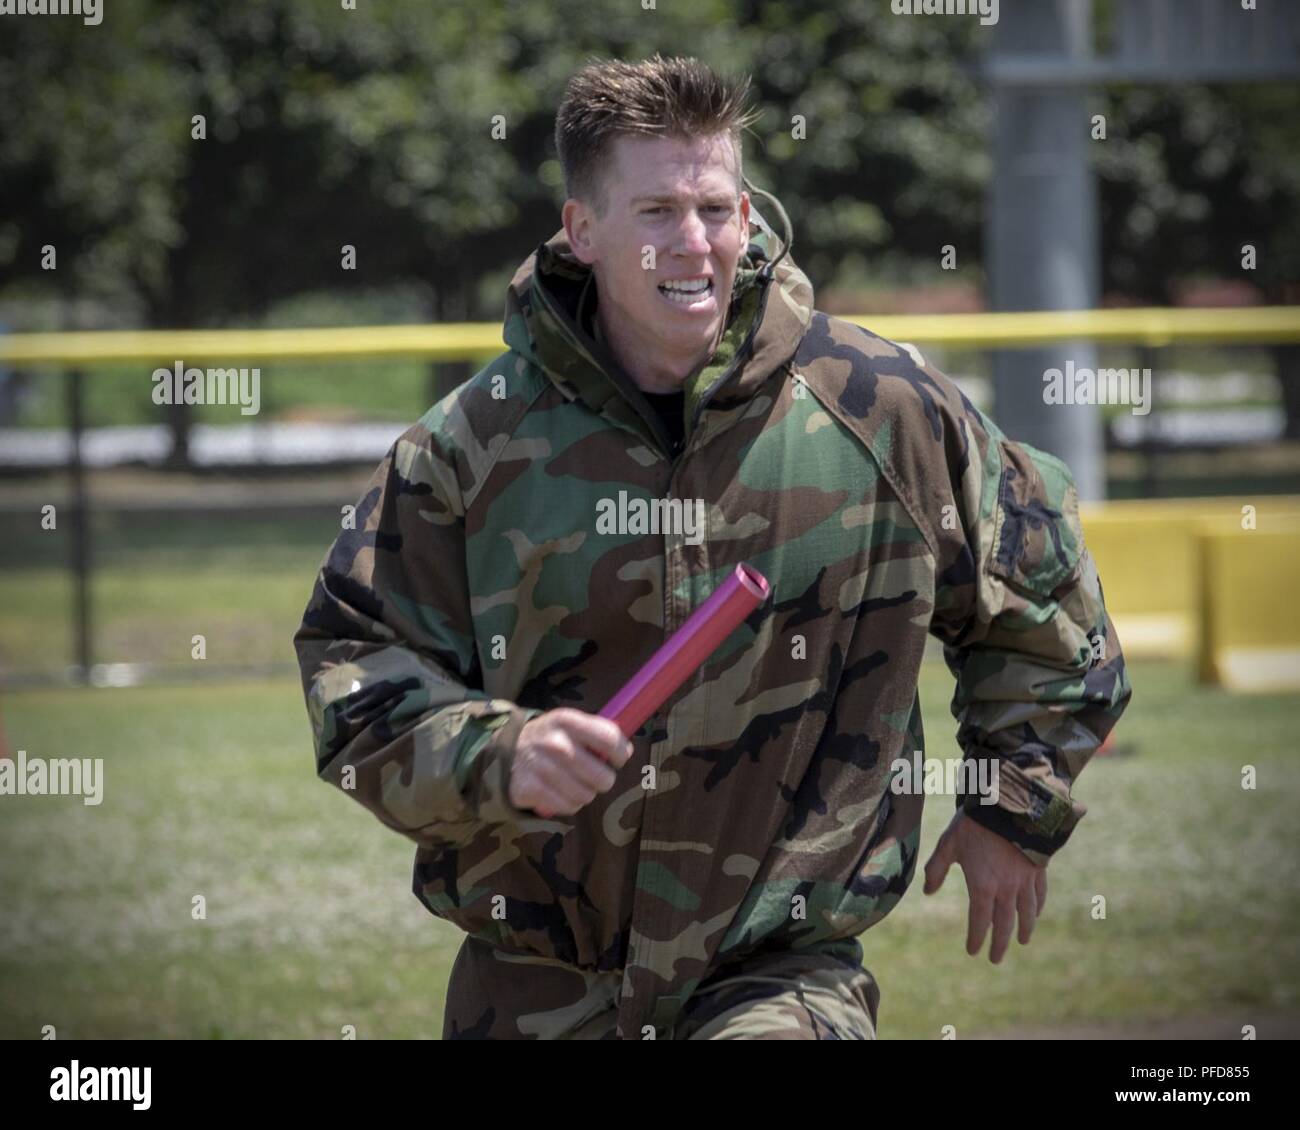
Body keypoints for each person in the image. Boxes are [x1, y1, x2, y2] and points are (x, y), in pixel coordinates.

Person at [293, 53, 1132, 1040]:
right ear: (583, 231)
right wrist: (495, 752)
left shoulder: (882, 408)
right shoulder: (470, 444)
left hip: (778, 979)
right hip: (531, 987)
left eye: (716, 208)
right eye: (656, 212)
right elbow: (354, 666)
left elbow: (1046, 606)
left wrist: (1011, 806)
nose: (694, 242)